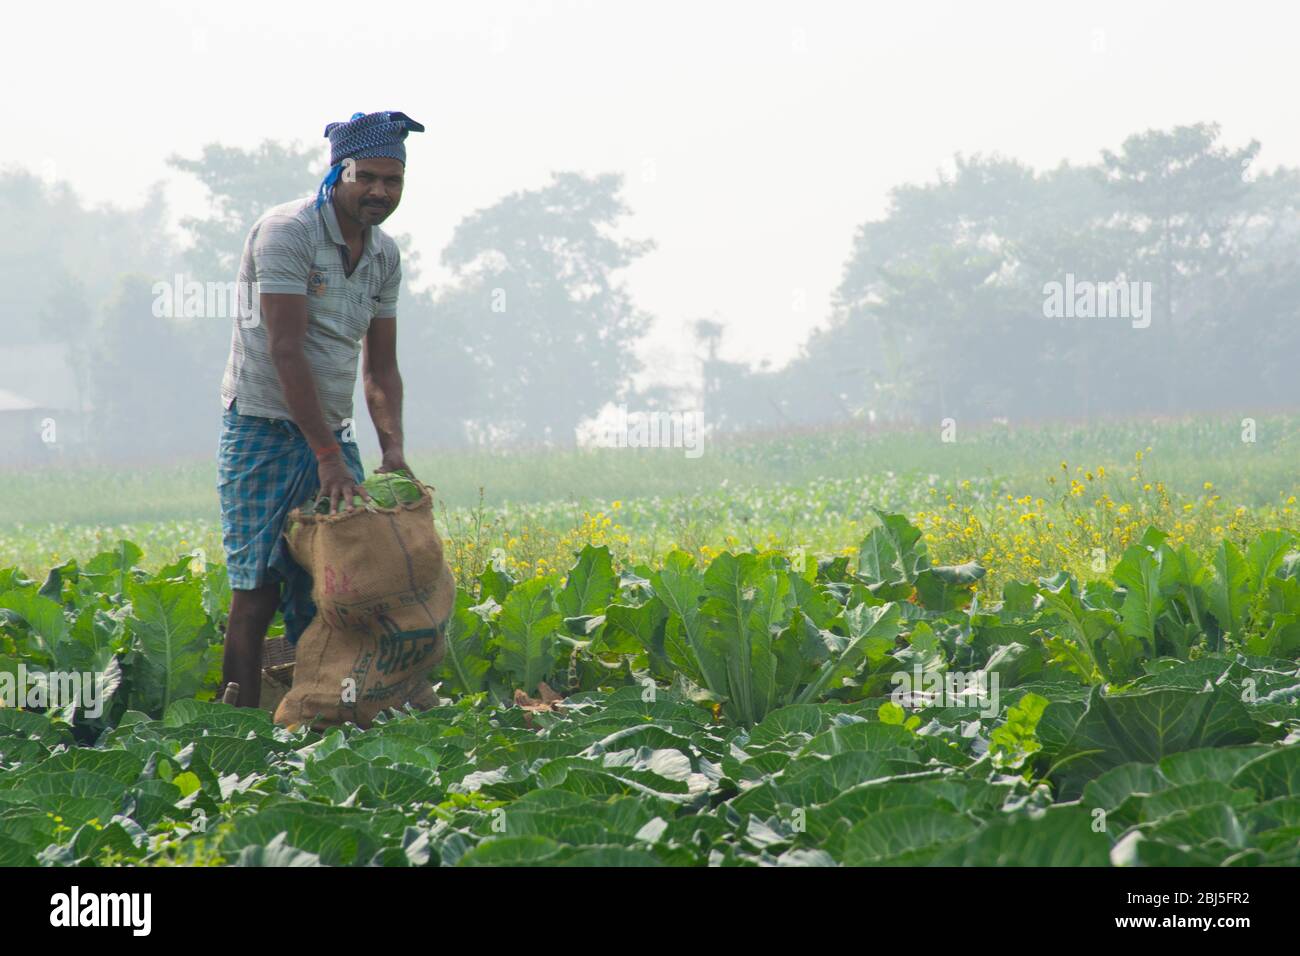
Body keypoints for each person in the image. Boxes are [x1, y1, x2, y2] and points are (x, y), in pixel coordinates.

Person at [216, 110, 425, 707]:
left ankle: (317, 718)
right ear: (338, 173)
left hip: (332, 435)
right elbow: (287, 352)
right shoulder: (288, 233)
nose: (381, 192)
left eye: (395, 181)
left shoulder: (384, 256)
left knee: (338, 586)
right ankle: (240, 727)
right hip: (261, 427)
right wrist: (328, 458)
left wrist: (393, 452)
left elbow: (380, 367)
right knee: (257, 584)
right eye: (369, 178)